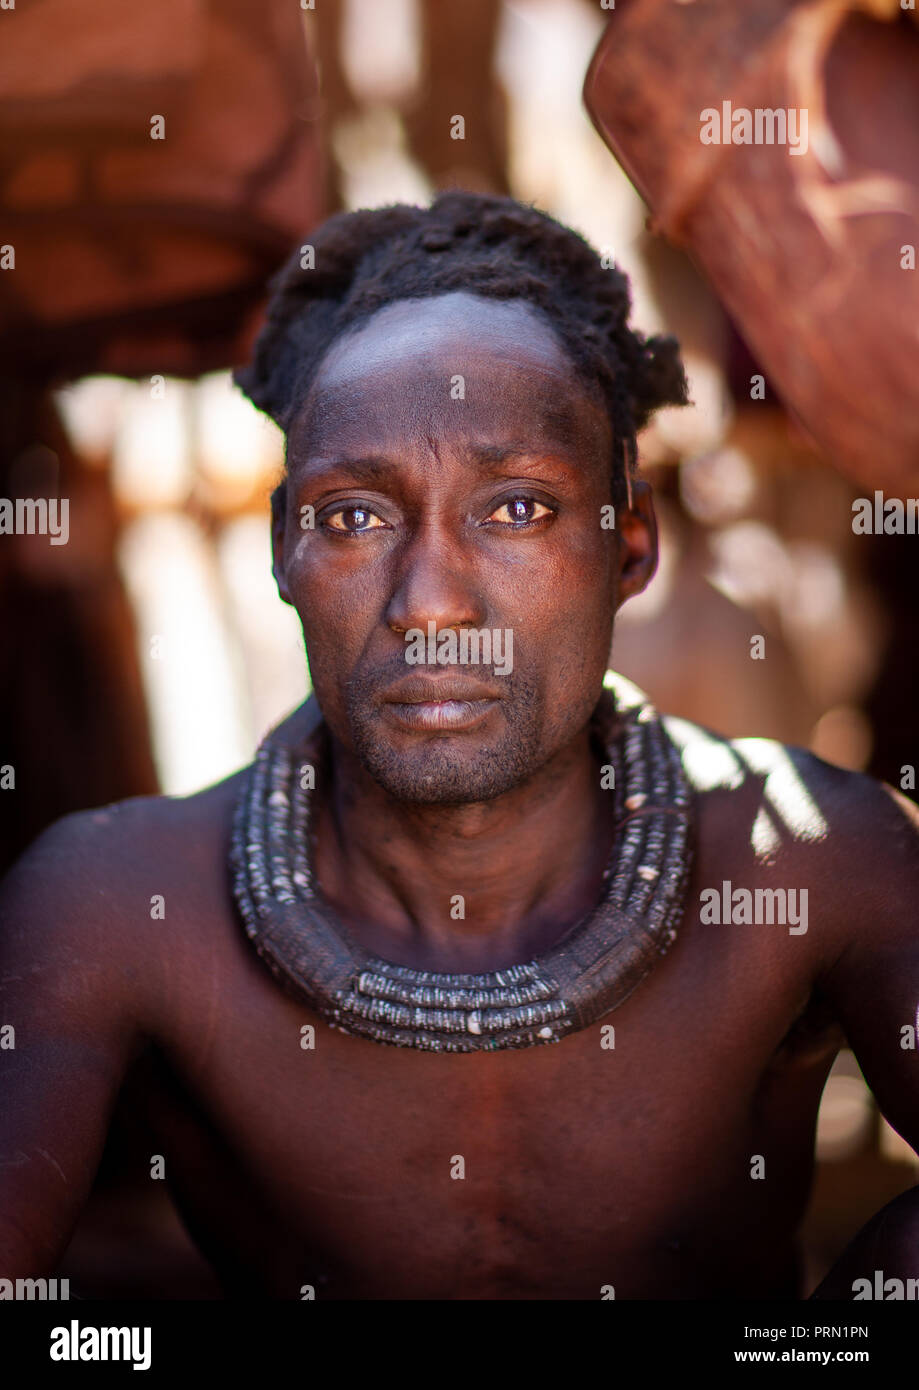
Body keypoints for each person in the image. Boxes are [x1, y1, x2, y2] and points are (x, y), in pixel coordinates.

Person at [2, 192, 917, 1300]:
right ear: (283, 549)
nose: (429, 602)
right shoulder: (119, 902)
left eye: (518, 508)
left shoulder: (814, 862)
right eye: (354, 517)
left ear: (626, 546)